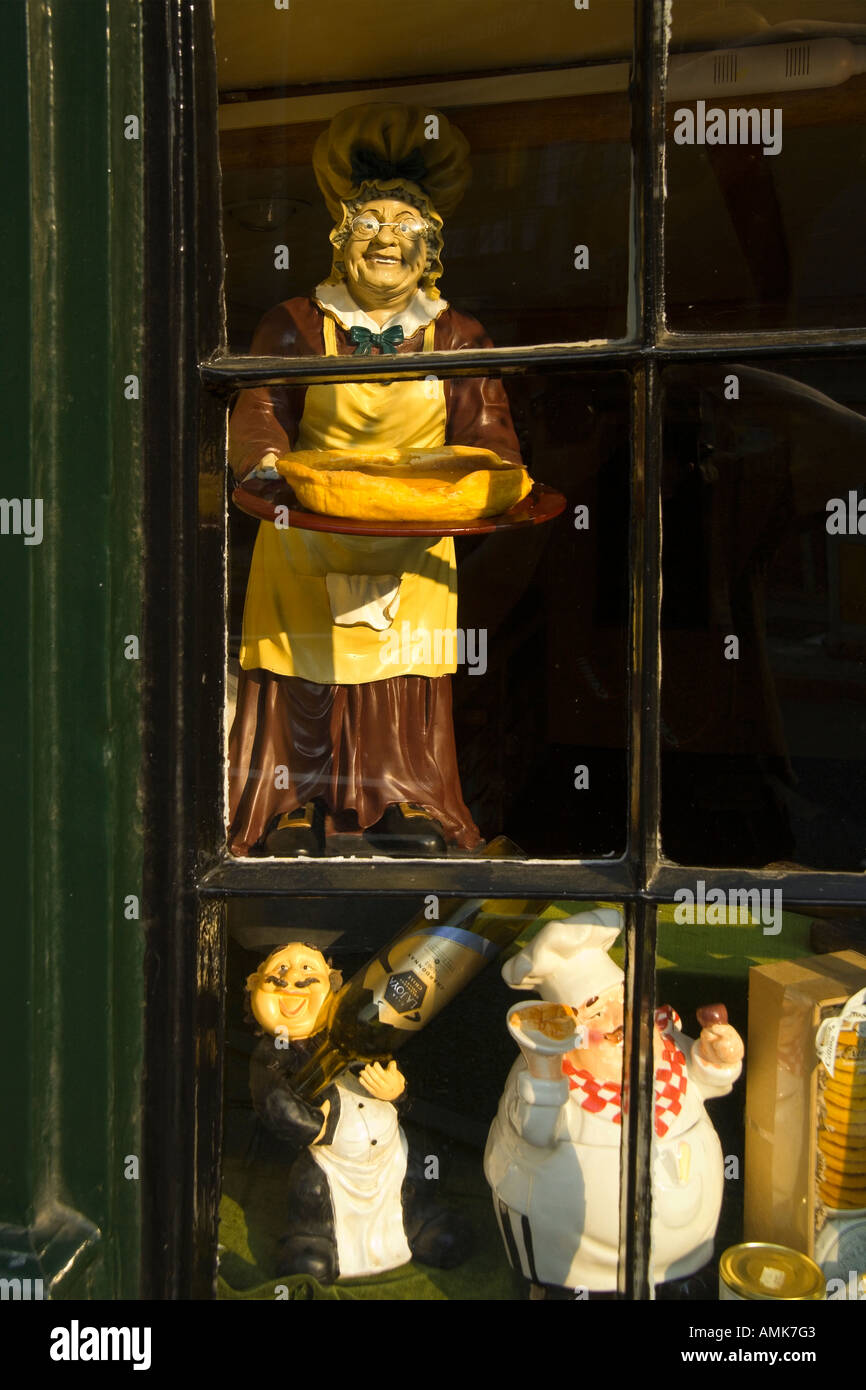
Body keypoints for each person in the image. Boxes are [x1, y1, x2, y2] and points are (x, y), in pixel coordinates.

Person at [228, 102, 522, 857]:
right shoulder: (294, 322)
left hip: (411, 538)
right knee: (304, 675)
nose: (386, 240)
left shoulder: (458, 335)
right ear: (340, 241)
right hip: (306, 532)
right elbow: (260, 409)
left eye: (405, 232)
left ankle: (406, 804)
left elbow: (487, 428)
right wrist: (267, 467)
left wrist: (495, 477)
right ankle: (296, 806)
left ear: (431, 252)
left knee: (402, 684)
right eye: (369, 227)